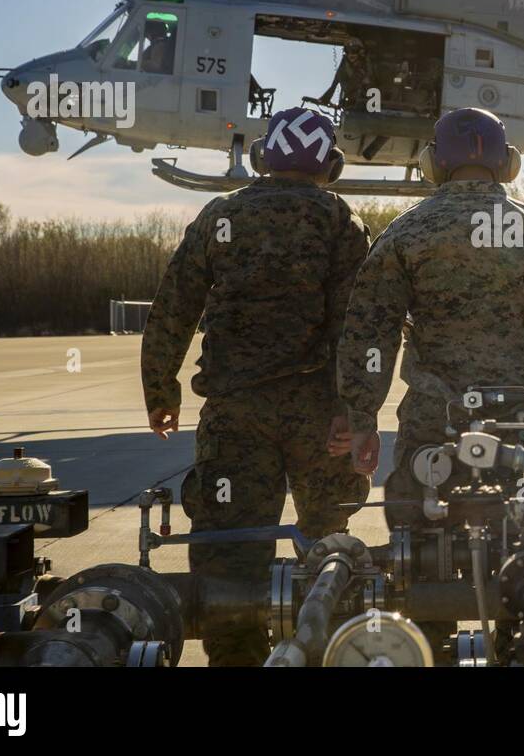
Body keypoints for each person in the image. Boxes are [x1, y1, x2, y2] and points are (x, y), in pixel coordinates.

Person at [141, 107, 371, 666]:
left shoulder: (221, 216)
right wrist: (354, 411)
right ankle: (317, 651)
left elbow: (173, 308)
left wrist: (161, 390)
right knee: (326, 548)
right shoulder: (340, 221)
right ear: (331, 166)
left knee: (229, 555)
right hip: (317, 415)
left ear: (263, 158)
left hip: (233, 415)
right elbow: (356, 325)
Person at [333, 107, 524, 510]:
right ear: (508, 162)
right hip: (523, 417)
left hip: (432, 419)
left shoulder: (404, 233)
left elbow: (369, 336)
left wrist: (362, 420)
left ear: (431, 163)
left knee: (422, 544)